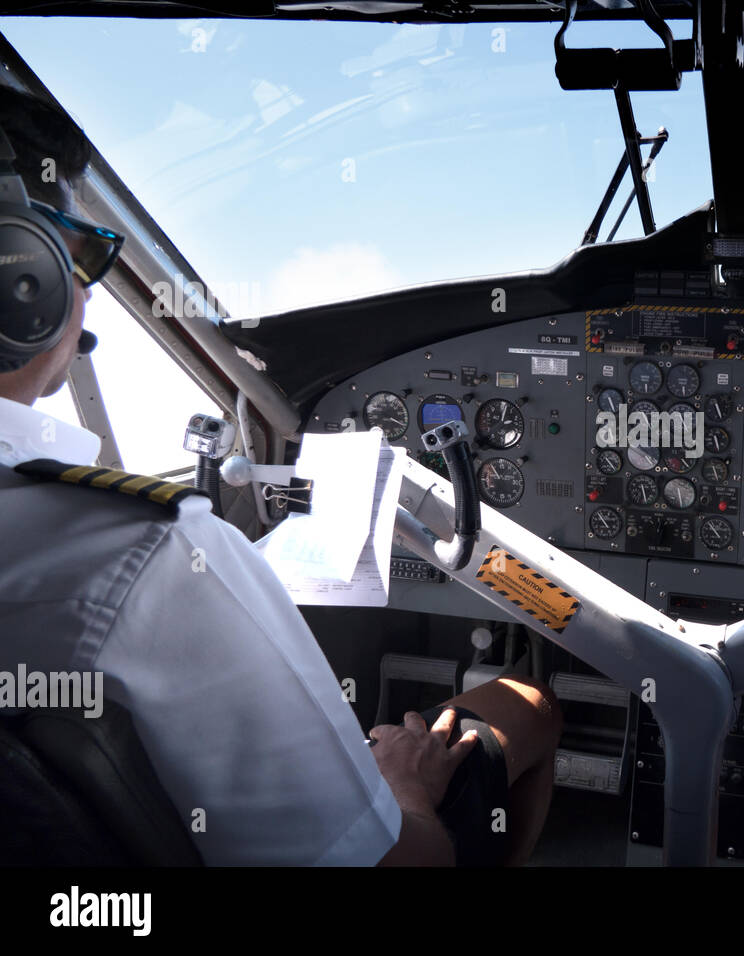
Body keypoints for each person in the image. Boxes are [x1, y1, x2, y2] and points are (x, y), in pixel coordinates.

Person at [0, 85, 561, 866]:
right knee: (530, 704)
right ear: (26, 276)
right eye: (79, 250)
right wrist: (399, 789)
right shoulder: (139, 559)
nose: (88, 286)